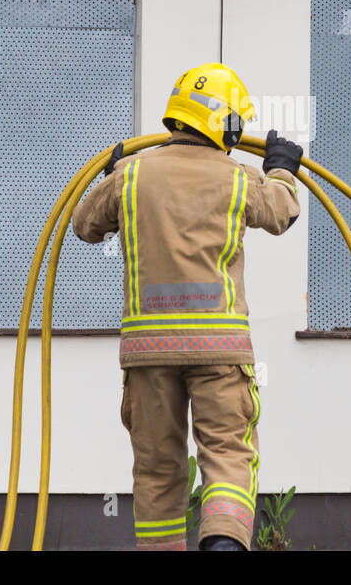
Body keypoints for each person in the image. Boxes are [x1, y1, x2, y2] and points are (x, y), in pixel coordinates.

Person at [71, 62, 303, 551]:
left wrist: (113, 177)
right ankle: (222, 541)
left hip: (147, 352)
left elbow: (85, 225)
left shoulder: (131, 176)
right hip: (219, 348)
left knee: (157, 466)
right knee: (226, 452)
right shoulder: (238, 177)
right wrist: (281, 166)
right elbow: (281, 212)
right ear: (229, 125)